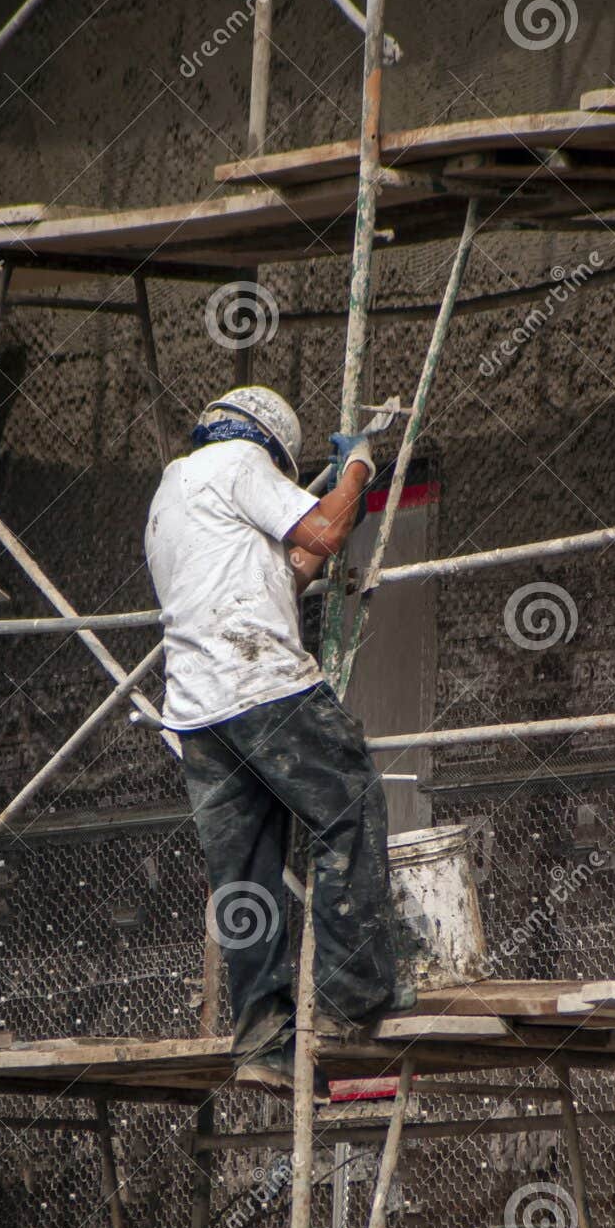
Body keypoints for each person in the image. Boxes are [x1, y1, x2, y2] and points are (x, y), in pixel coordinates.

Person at [144, 385, 409, 1095]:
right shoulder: (238, 463)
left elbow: (287, 571)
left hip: (198, 713)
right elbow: (321, 535)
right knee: (347, 803)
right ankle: (356, 999)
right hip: (260, 682)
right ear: (268, 444)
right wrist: (357, 470)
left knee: (249, 876)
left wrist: (318, 520)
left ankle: (263, 1039)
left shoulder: (173, 492)